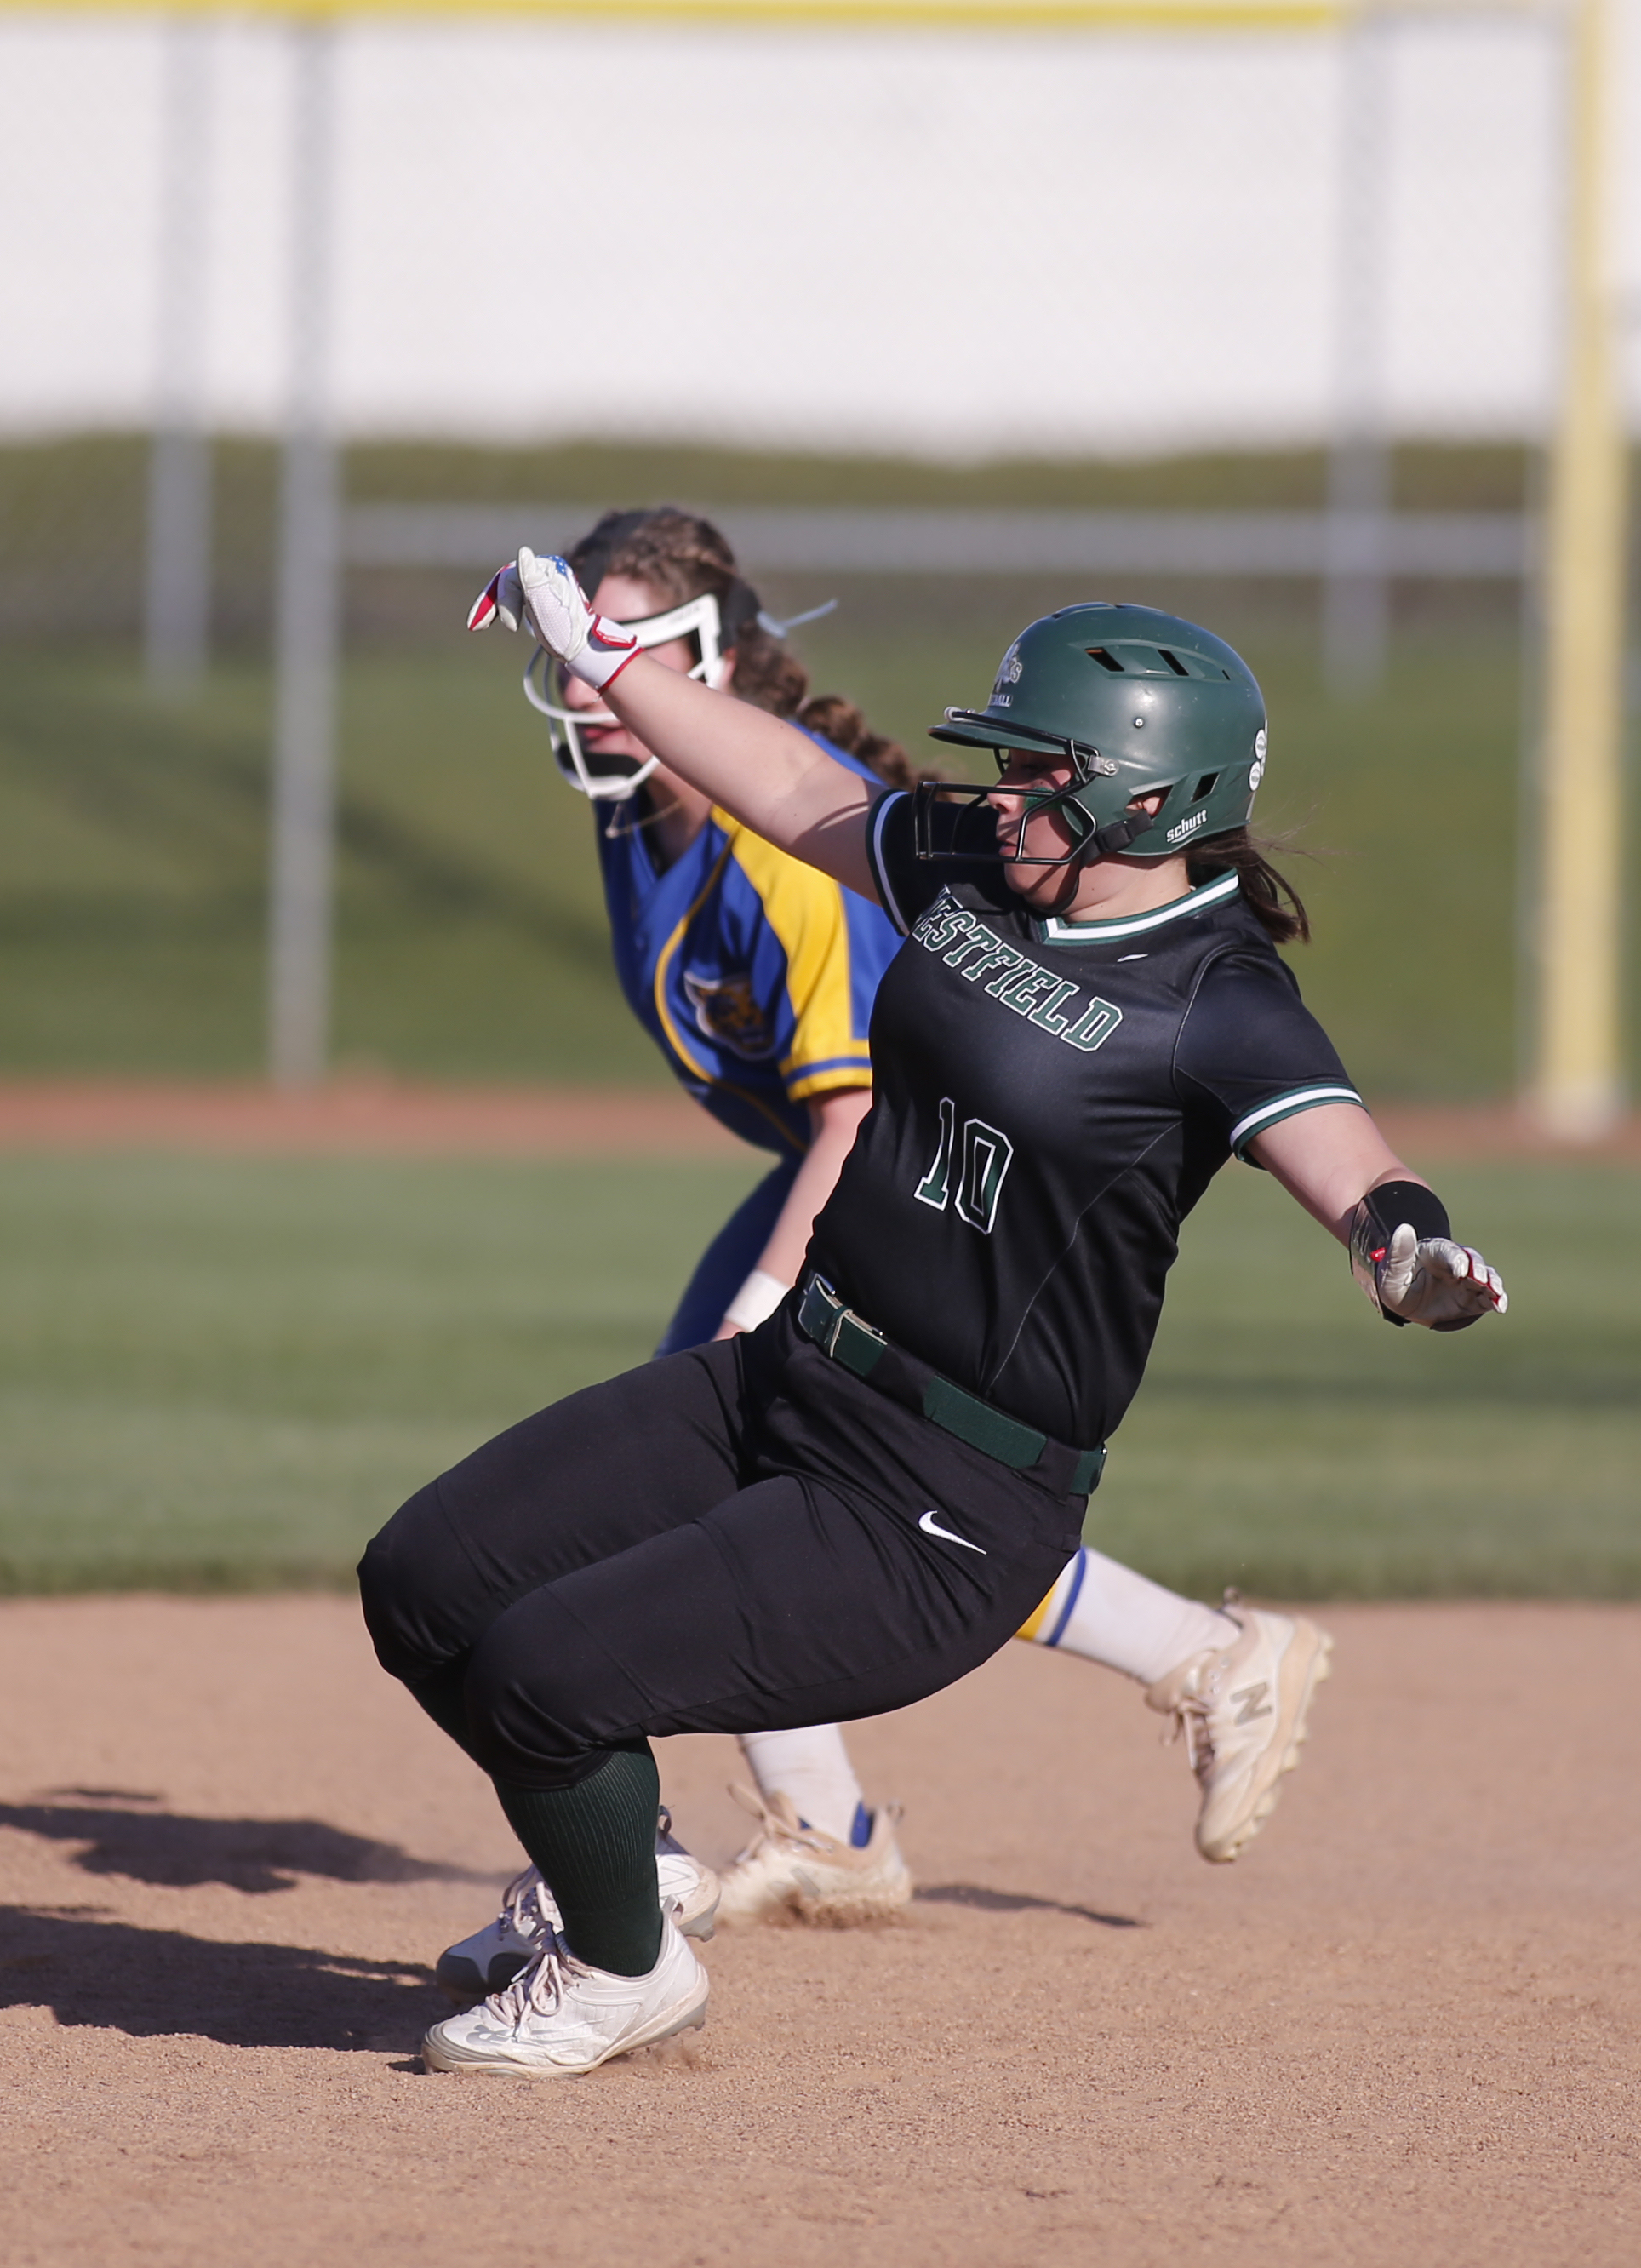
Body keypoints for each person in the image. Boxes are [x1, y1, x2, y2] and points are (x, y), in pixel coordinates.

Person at [368, 564, 1507, 2077]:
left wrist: (1407, 1244)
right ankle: (622, 1872)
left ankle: (622, 1968)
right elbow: (788, 782)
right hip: (789, 1378)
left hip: (939, 1504)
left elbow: (1351, 1155)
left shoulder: (1218, 997)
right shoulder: (980, 861)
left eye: (1045, 770)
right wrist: (617, 662)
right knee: (426, 1579)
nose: (1004, 789)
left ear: (1153, 800)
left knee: (544, 1672)